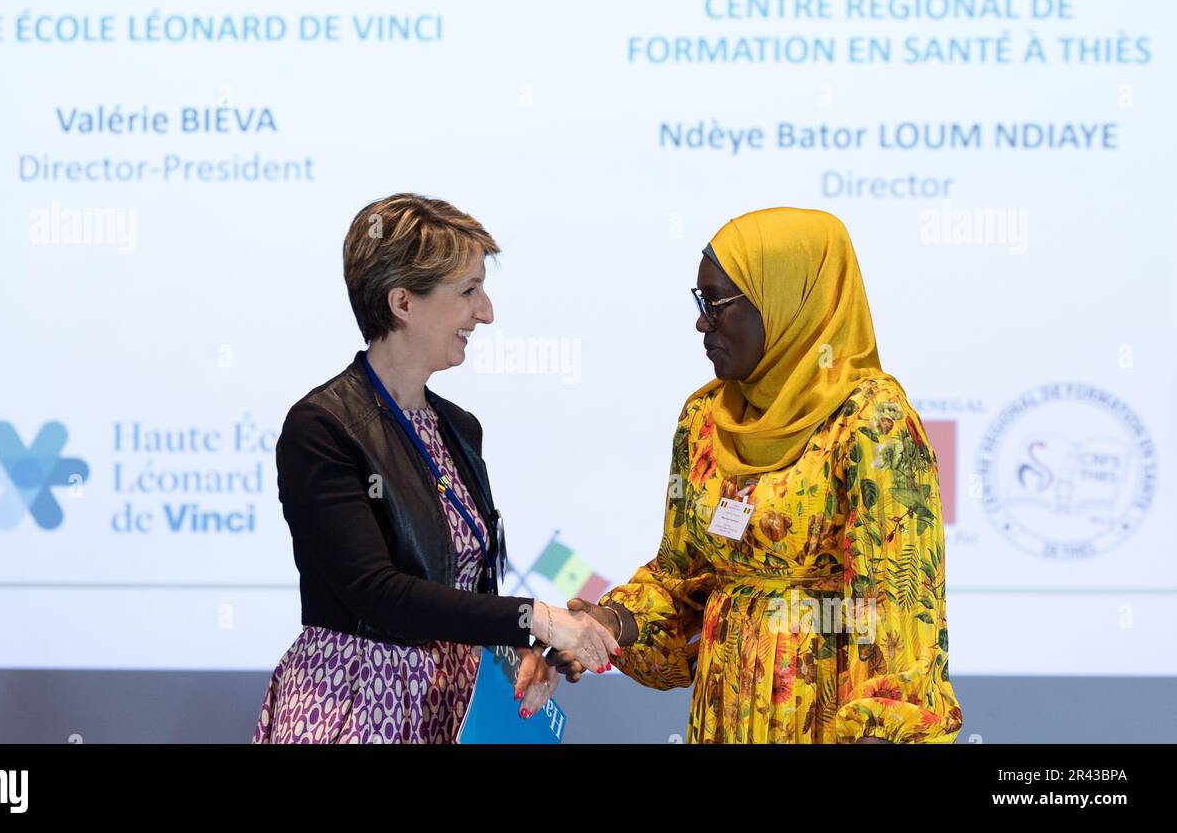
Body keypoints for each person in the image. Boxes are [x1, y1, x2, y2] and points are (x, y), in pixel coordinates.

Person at [551, 207, 963, 743]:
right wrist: (612, 624)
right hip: (723, 718)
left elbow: (900, 604)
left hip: (831, 724)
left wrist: (879, 732)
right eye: (699, 303)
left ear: (787, 297)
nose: (702, 322)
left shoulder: (873, 421)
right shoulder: (703, 419)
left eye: (716, 303)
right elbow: (683, 579)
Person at [253, 193, 618, 744]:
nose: (486, 311)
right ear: (402, 302)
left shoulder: (459, 427)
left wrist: (525, 648)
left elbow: (466, 584)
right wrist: (534, 617)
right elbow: (376, 592)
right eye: (468, 290)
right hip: (357, 706)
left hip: (457, 704)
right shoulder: (322, 426)